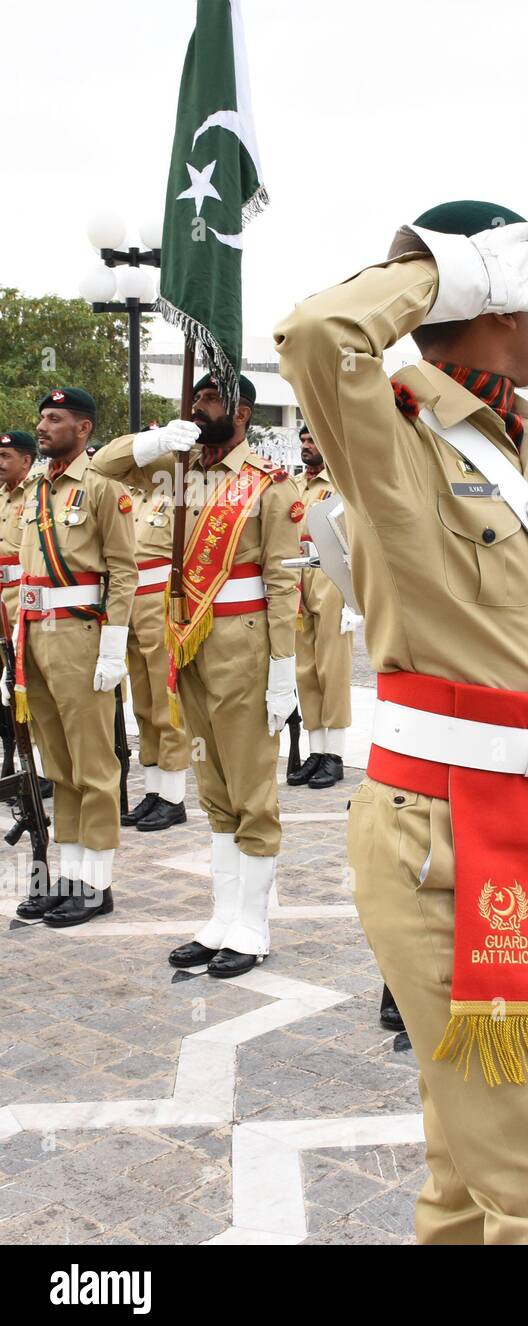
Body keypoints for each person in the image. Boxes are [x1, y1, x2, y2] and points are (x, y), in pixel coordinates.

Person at [275, 199, 528, 1245]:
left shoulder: (524, 443)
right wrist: (439, 270)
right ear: (490, 298)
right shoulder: (403, 432)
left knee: (465, 1164)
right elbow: (317, 336)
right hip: (452, 836)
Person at [92, 373, 300, 979]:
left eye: (208, 400)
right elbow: (102, 467)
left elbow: (283, 580)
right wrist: (153, 444)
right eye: (195, 397)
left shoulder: (268, 482)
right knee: (213, 786)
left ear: (241, 411)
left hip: (244, 644)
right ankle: (221, 918)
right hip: (186, 643)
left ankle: (253, 927)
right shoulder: (177, 469)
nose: (196, 406)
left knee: (250, 787)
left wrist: (283, 667)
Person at [7, 389, 136, 925]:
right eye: (41, 417)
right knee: (58, 766)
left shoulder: (104, 490)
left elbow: (123, 572)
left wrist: (113, 647)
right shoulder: (35, 488)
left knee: (93, 764)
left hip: (81, 637)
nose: (43, 426)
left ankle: (98, 882)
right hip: (35, 636)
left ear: (82, 429)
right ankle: (73, 871)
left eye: (55, 418)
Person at [287, 424, 359, 790]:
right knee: (306, 669)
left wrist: (353, 596)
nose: (306, 446)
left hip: (331, 575)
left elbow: (359, 538)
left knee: (333, 668)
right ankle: (316, 751)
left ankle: (335, 755)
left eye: (312, 440)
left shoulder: (344, 482)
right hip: (299, 575)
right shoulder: (294, 485)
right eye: (302, 440)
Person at [121, 469, 190, 831]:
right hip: (129, 605)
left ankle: (173, 797)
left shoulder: (180, 494)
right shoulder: (130, 496)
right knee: (143, 704)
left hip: (161, 604)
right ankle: (153, 789)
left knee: (167, 704)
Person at [0, 430, 38, 628]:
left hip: (24, 590)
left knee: (22, 655)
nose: (0, 462)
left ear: (25, 461)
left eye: (5, 456)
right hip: (1, 592)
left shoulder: (38, 494)